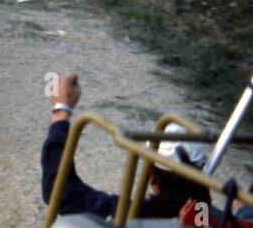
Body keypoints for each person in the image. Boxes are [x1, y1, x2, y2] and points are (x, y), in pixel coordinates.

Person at [40, 74, 207, 218]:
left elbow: (57, 191)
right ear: (201, 171)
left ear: (151, 177)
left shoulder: (130, 216)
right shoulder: (209, 221)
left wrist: (61, 109)